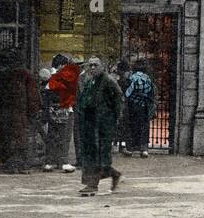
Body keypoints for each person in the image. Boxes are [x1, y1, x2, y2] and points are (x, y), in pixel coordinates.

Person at [76, 57, 123, 196]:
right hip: (91, 123)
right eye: (90, 65)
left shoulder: (108, 81)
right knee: (93, 155)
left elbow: (118, 98)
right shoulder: (91, 81)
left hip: (103, 124)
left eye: (95, 65)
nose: (92, 68)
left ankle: (92, 185)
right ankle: (112, 175)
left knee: (97, 155)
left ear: (102, 66)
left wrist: (113, 118)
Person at [0, 49, 40, 174]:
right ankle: (23, 165)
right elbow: (32, 96)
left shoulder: (5, 75)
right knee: (22, 137)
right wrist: (34, 111)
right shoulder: (26, 74)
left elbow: (1, 93)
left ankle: (12, 165)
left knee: (9, 137)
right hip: (22, 113)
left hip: (8, 111)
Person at [43, 54, 80, 173]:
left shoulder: (50, 78)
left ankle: (49, 162)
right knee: (64, 137)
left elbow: (47, 95)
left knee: (52, 136)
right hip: (65, 112)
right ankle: (63, 161)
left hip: (52, 111)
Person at [123, 60, 157, 157]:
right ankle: (144, 149)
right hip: (144, 106)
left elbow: (127, 93)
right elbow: (152, 93)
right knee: (144, 127)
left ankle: (131, 148)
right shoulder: (148, 79)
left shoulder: (131, 78)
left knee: (132, 127)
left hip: (132, 107)